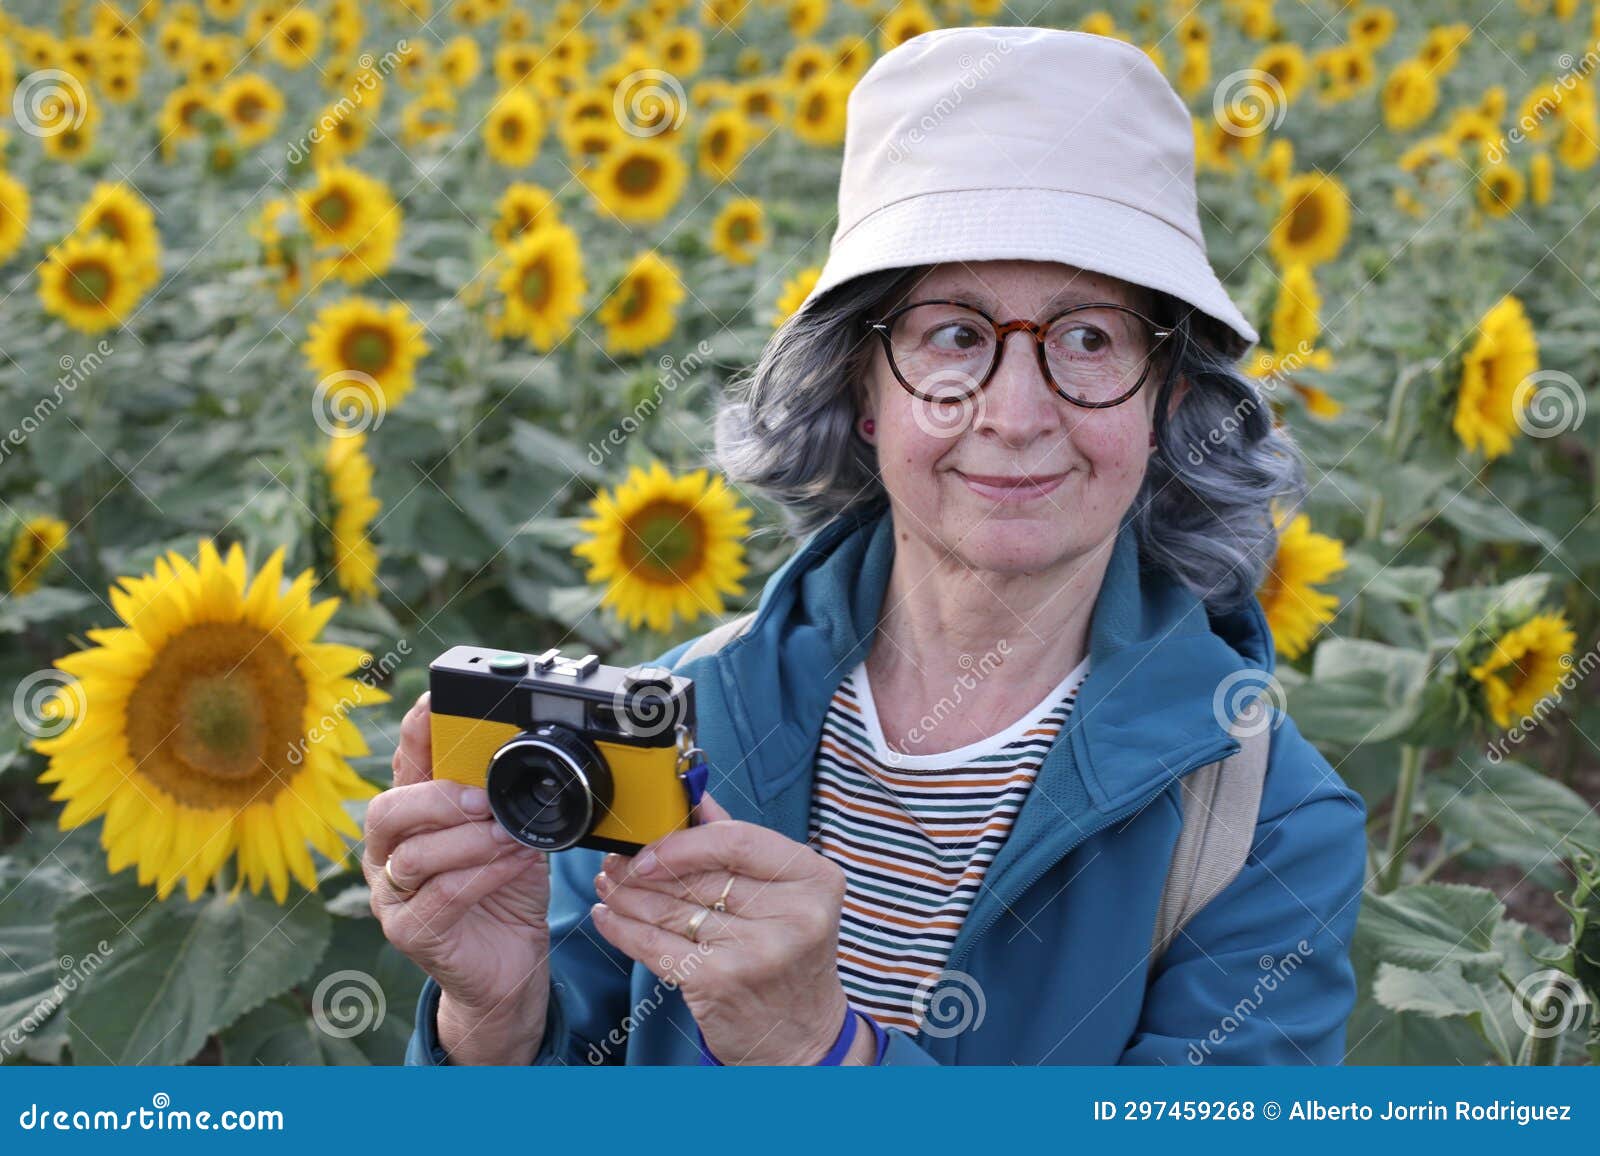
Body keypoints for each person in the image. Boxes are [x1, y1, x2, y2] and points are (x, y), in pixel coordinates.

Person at [368, 25, 1367, 1066]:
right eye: (952, 335)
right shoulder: (675, 718)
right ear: (862, 389)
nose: (1016, 412)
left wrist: (825, 1053)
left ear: (1165, 399)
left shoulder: (1262, 827)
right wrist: (493, 1021)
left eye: (1088, 337)